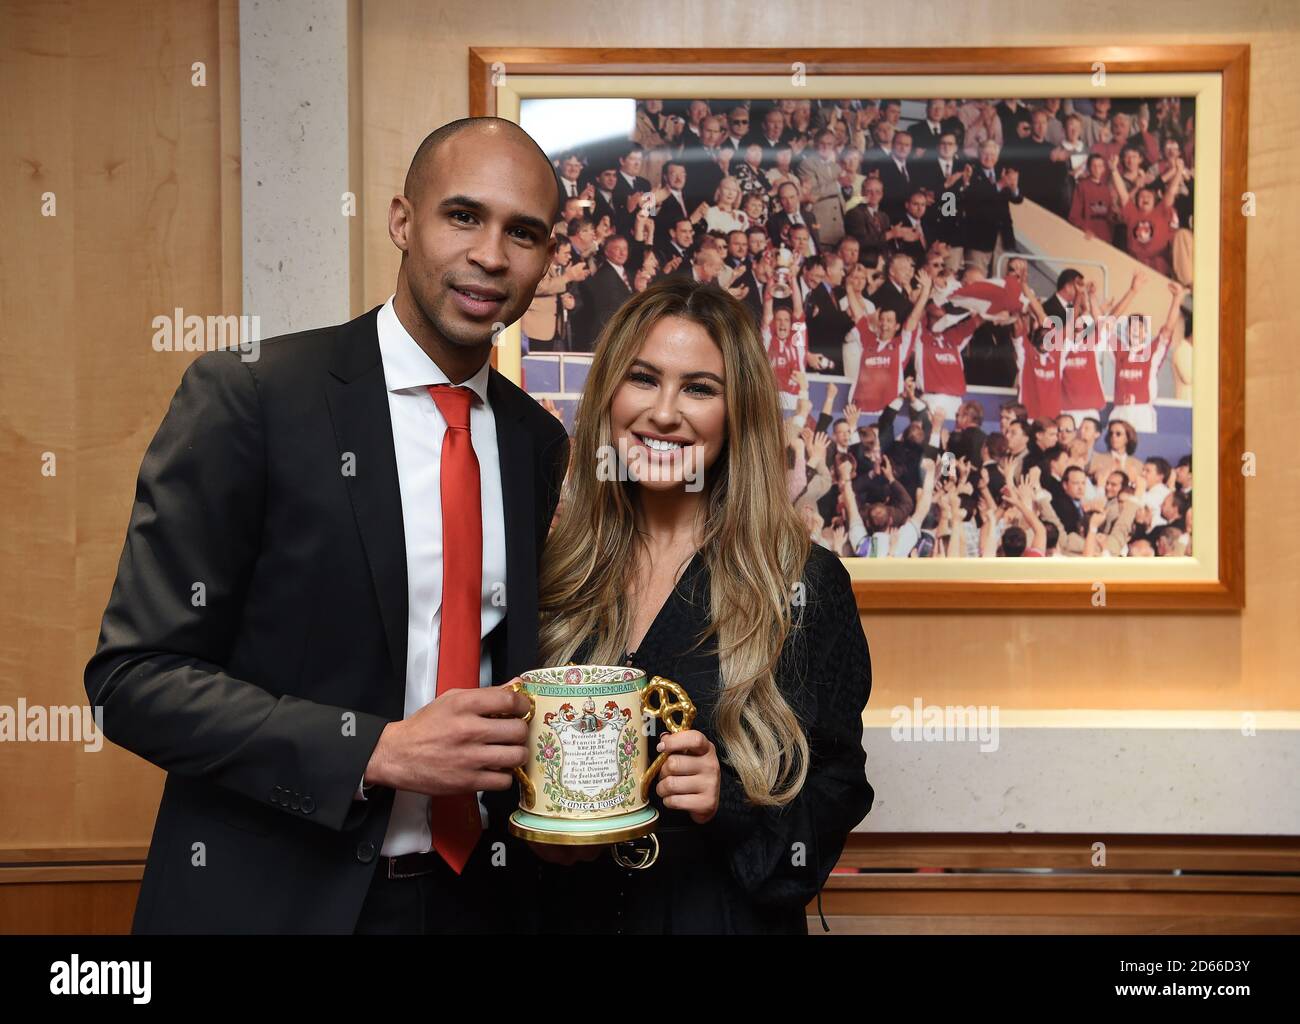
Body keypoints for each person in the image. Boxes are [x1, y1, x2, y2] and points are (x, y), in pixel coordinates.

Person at [83, 117, 570, 934]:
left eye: (524, 232)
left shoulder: (535, 441)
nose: (492, 254)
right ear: (401, 221)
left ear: (547, 258)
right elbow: (134, 680)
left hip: (474, 904)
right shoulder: (253, 397)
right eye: (463, 215)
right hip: (274, 904)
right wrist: (372, 750)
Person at [525, 276, 874, 933]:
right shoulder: (547, 572)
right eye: (643, 379)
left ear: (735, 413)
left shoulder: (802, 585)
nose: (664, 412)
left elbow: (837, 790)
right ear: (608, 397)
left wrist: (729, 802)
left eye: (699, 388)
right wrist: (535, 829)